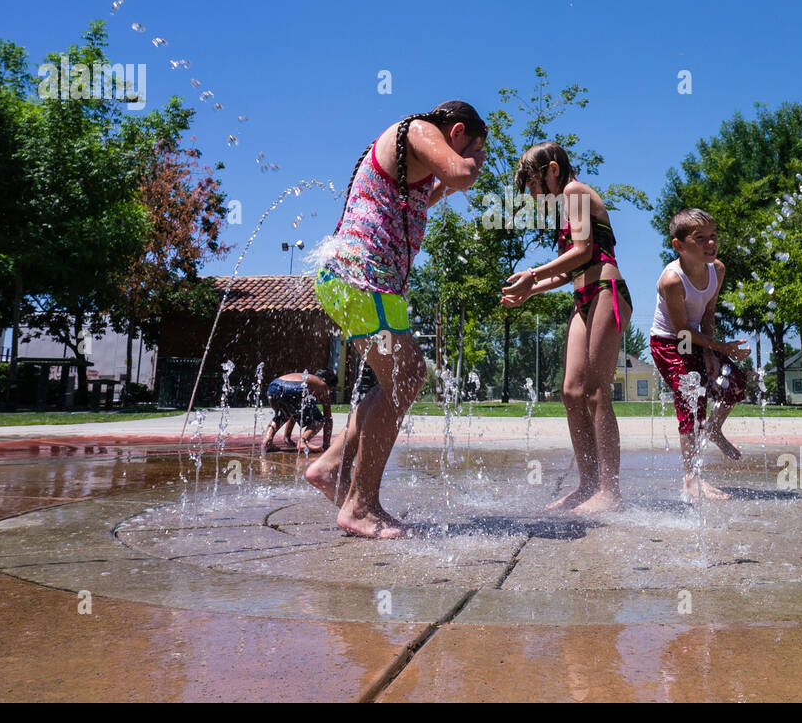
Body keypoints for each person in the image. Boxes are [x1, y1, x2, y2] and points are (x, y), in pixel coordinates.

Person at [302, 102, 487, 539]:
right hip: (363, 278)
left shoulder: (413, 157)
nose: (478, 160)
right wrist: (469, 163)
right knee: (406, 376)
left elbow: (437, 189)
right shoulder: (419, 130)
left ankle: (330, 468)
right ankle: (360, 506)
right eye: (476, 148)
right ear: (456, 131)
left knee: (394, 381)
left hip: (362, 282)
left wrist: (444, 184)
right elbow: (460, 175)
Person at [502, 142, 630, 515]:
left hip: (606, 290)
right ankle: (587, 485)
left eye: (531, 183)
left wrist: (531, 274)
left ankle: (610, 491)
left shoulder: (574, 192)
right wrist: (532, 289)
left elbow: (585, 252)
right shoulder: (565, 206)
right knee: (572, 391)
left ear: (552, 170)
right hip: (584, 295)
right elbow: (571, 269)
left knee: (595, 391)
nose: (530, 193)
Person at [648, 208, 749, 500]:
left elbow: (707, 312)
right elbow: (681, 331)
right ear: (678, 245)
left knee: (735, 384)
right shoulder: (672, 280)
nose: (710, 243)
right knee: (692, 399)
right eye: (700, 238)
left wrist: (711, 353)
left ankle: (714, 430)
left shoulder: (716, 269)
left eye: (713, 236)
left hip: (697, 338)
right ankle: (691, 480)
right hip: (669, 342)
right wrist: (723, 348)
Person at [262, 370, 335, 452]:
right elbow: (328, 418)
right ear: (330, 386)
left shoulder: (307, 379)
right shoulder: (323, 386)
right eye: (331, 390)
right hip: (295, 388)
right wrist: (326, 445)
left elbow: (293, 414)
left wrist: (287, 437)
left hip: (273, 387)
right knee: (319, 420)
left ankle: (266, 442)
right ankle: (303, 441)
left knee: (283, 415)